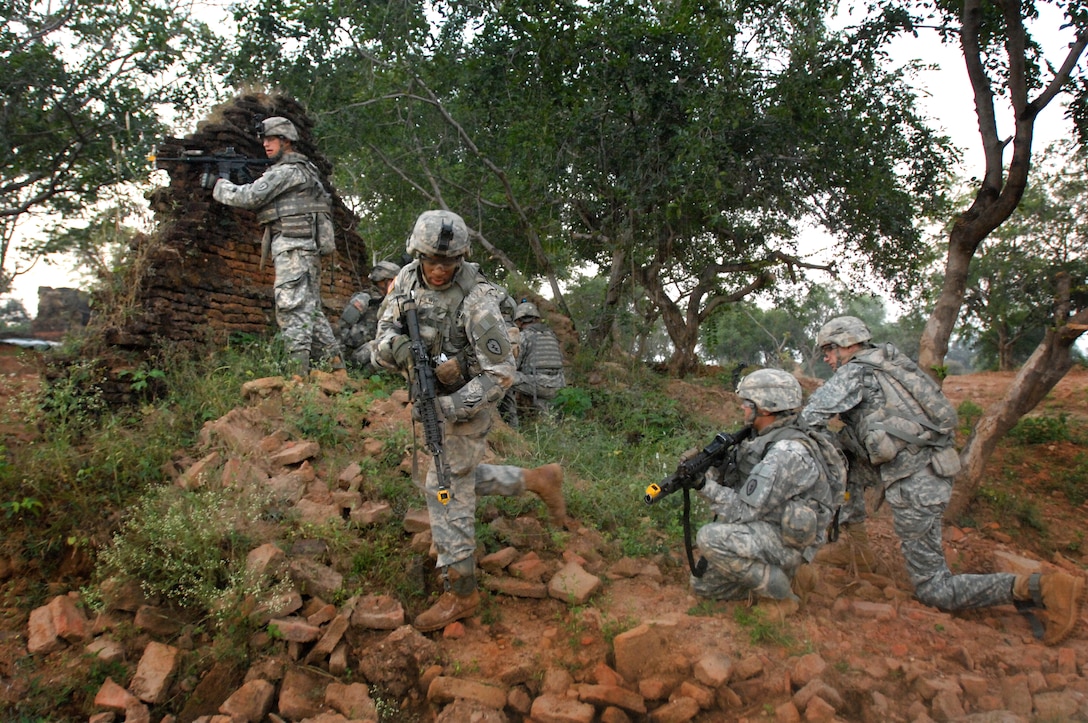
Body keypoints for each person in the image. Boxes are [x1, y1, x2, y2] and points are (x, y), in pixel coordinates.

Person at [802, 315, 1083, 645]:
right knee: (843, 457)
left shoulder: (855, 371)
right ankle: (857, 546)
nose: (826, 358)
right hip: (930, 465)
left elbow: (809, 417)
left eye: (829, 350)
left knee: (933, 588)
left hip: (915, 481)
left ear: (848, 345)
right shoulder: (889, 361)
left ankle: (1038, 587)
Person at [373, 210, 565, 632]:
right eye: (431, 261)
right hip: (429, 395)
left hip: (469, 402)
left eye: (449, 263)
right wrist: (400, 350)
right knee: (457, 478)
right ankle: (536, 480)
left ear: (461, 259)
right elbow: (380, 339)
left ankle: (462, 593)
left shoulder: (478, 302)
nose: (439, 271)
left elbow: (501, 374)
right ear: (416, 254)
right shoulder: (405, 280)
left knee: (444, 484)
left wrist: (449, 407)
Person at [688, 369, 844, 620]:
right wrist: (711, 470)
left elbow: (742, 511)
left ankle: (782, 592)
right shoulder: (763, 437)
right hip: (770, 522)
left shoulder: (786, 452)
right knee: (704, 585)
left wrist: (702, 486)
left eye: (748, 403)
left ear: (767, 408)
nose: (743, 408)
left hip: (786, 538)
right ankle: (789, 575)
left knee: (710, 537)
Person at [208, 116, 344, 377]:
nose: (265, 145)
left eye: (271, 139)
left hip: (294, 249)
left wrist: (221, 183)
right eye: (264, 139)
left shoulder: (287, 171)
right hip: (302, 249)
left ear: (287, 141)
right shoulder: (303, 169)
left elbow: (250, 196)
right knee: (311, 311)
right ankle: (338, 372)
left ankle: (297, 377)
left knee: (291, 307)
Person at [499, 301, 567, 428]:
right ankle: (552, 429)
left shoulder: (524, 336)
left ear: (519, 321)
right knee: (549, 418)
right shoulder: (551, 335)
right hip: (558, 384)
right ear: (536, 318)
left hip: (539, 383)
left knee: (506, 379)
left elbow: (513, 365)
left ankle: (511, 425)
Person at [338, 261, 401, 374]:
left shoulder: (391, 303)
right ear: (383, 281)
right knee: (382, 346)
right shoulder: (364, 299)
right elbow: (341, 329)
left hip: (368, 353)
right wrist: (339, 363)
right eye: (393, 281)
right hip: (353, 354)